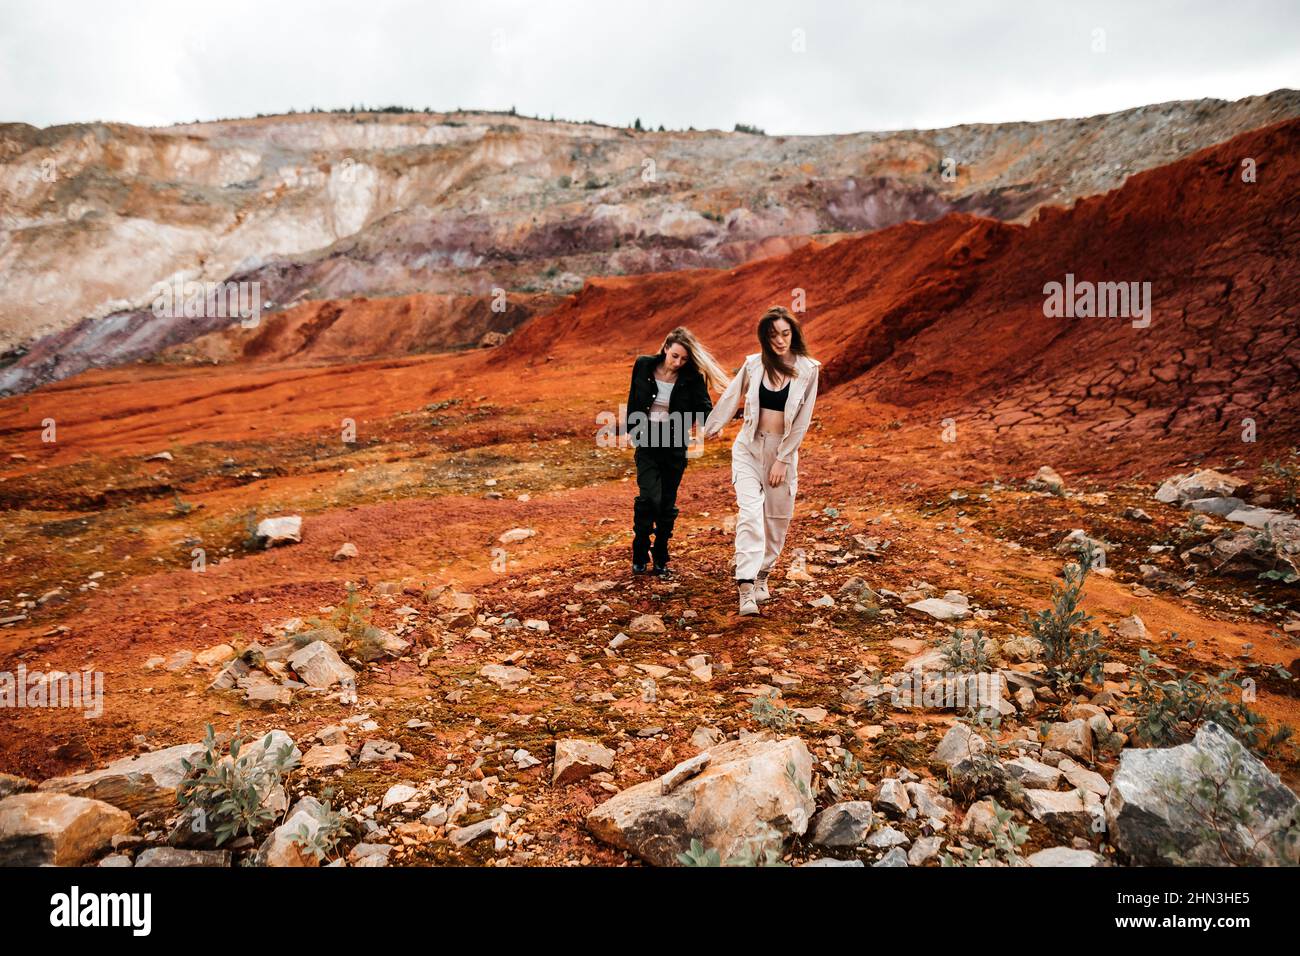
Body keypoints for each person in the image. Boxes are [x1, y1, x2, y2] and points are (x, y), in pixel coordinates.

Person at [703, 306, 820, 615]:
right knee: (750, 514)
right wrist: (712, 426)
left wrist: (783, 459)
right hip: (749, 449)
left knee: (777, 520)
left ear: (793, 334)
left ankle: (762, 574)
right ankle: (745, 587)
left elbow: (802, 420)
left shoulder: (809, 369)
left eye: (785, 333)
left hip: (781, 453)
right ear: (764, 338)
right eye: (772, 335)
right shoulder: (754, 364)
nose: (780, 340)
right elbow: (732, 395)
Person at [624, 327, 727, 575]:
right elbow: (633, 398)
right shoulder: (643, 365)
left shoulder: (692, 377)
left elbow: (703, 406)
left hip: (675, 443)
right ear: (666, 348)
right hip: (647, 441)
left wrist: (712, 425)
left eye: (684, 359)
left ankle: (660, 555)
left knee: (667, 503)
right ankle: (640, 550)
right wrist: (630, 429)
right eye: (675, 356)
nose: (678, 362)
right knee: (649, 497)